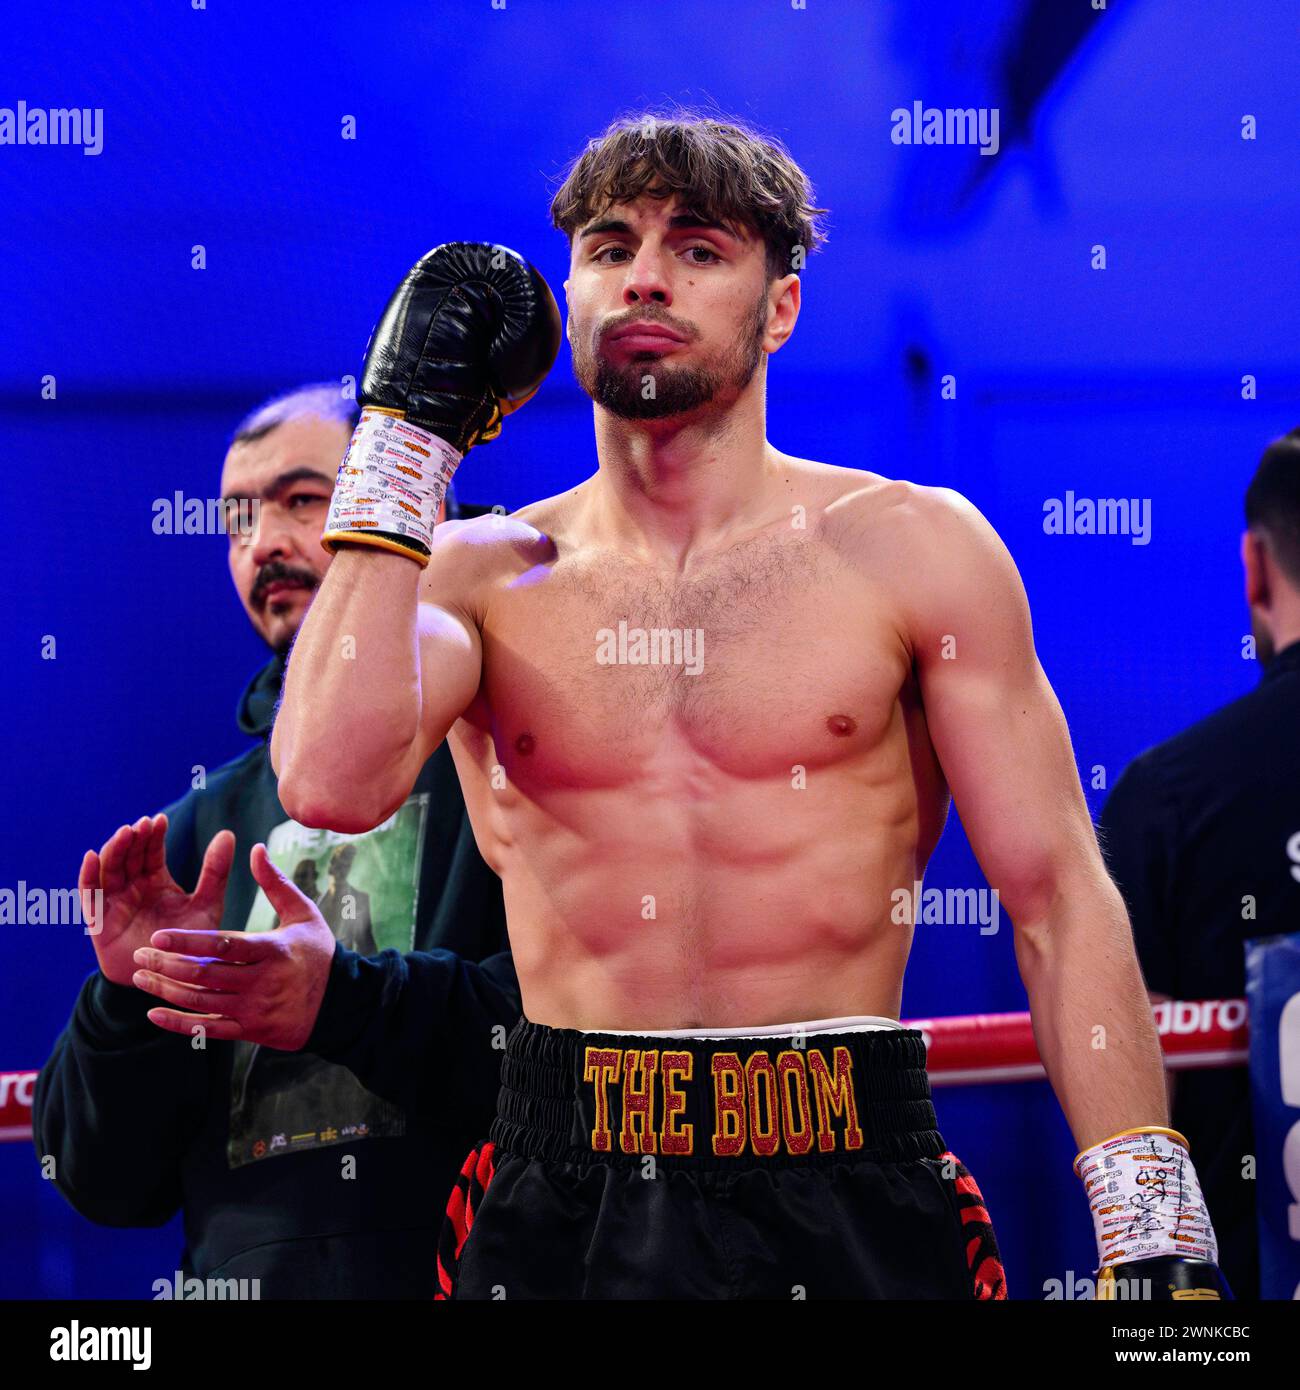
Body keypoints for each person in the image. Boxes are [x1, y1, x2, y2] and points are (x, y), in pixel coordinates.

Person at [271, 110, 1227, 1299]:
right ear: (567, 288)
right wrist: (400, 439)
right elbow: (323, 779)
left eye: (700, 248)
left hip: (846, 1165)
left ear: (778, 306)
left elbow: (1056, 897)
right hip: (566, 1174)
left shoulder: (909, 549)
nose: (645, 278)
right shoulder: (478, 573)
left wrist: (1153, 1231)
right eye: (610, 247)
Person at [34, 383, 518, 1298]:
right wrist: (132, 1000)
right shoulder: (197, 829)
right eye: (236, 520)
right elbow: (101, 1183)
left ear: (414, 509)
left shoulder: (518, 759)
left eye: (302, 500)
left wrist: (343, 1001)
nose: (263, 544)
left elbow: (574, 1053)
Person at [1098, 428, 1300, 1301]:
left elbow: (1137, 1098)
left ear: (1253, 568)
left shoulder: (1168, 797)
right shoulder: (1162, 798)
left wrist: (1163, 1322)